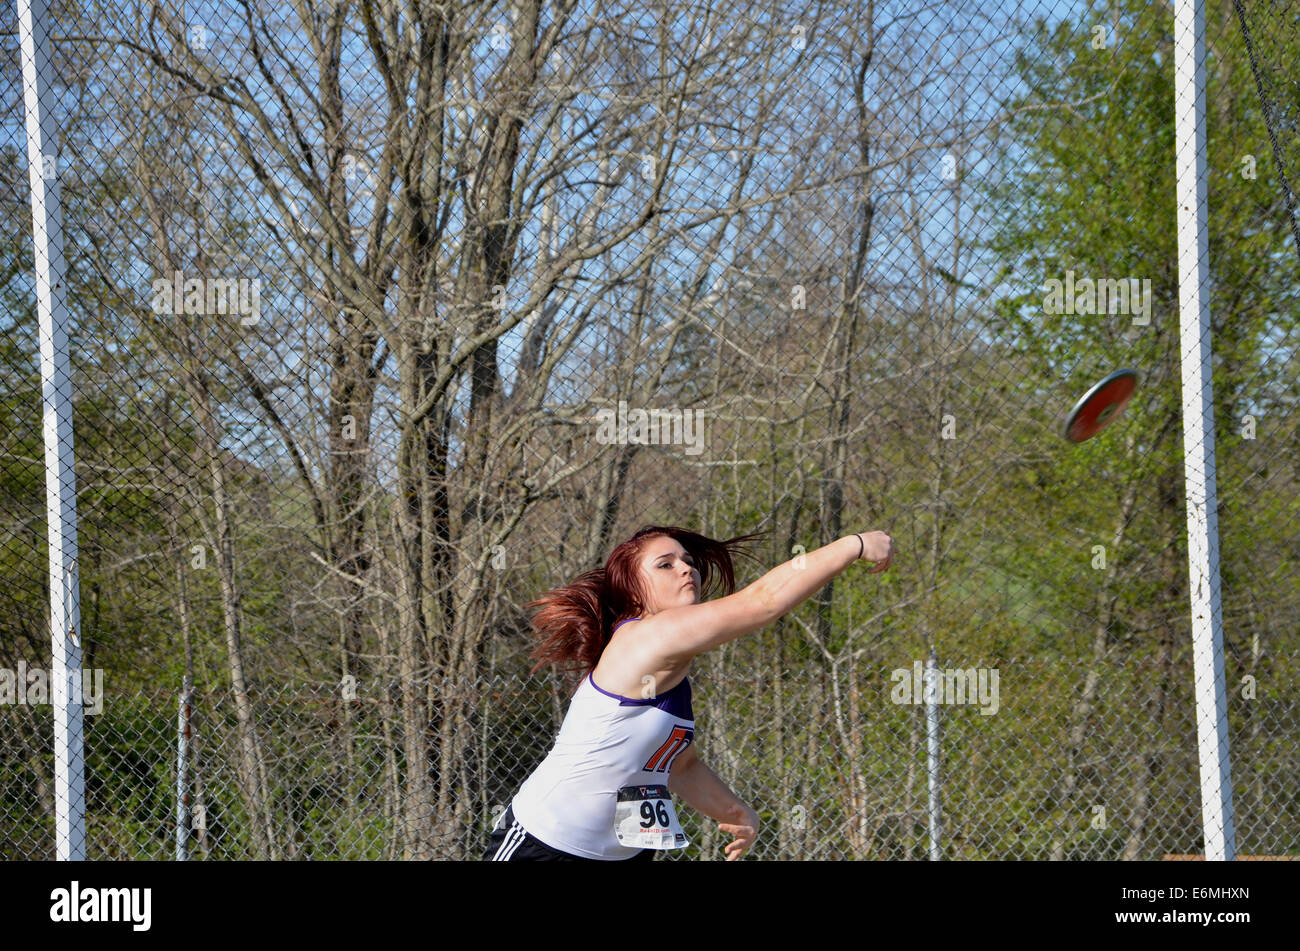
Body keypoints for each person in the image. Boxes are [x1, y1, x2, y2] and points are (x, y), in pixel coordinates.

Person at [484, 524, 894, 861]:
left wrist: (732, 810)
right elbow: (763, 602)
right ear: (632, 591)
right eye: (665, 565)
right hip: (546, 846)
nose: (686, 570)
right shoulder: (645, 638)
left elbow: (678, 765)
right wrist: (853, 545)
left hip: (627, 854)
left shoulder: (672, 672)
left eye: (688, 562)